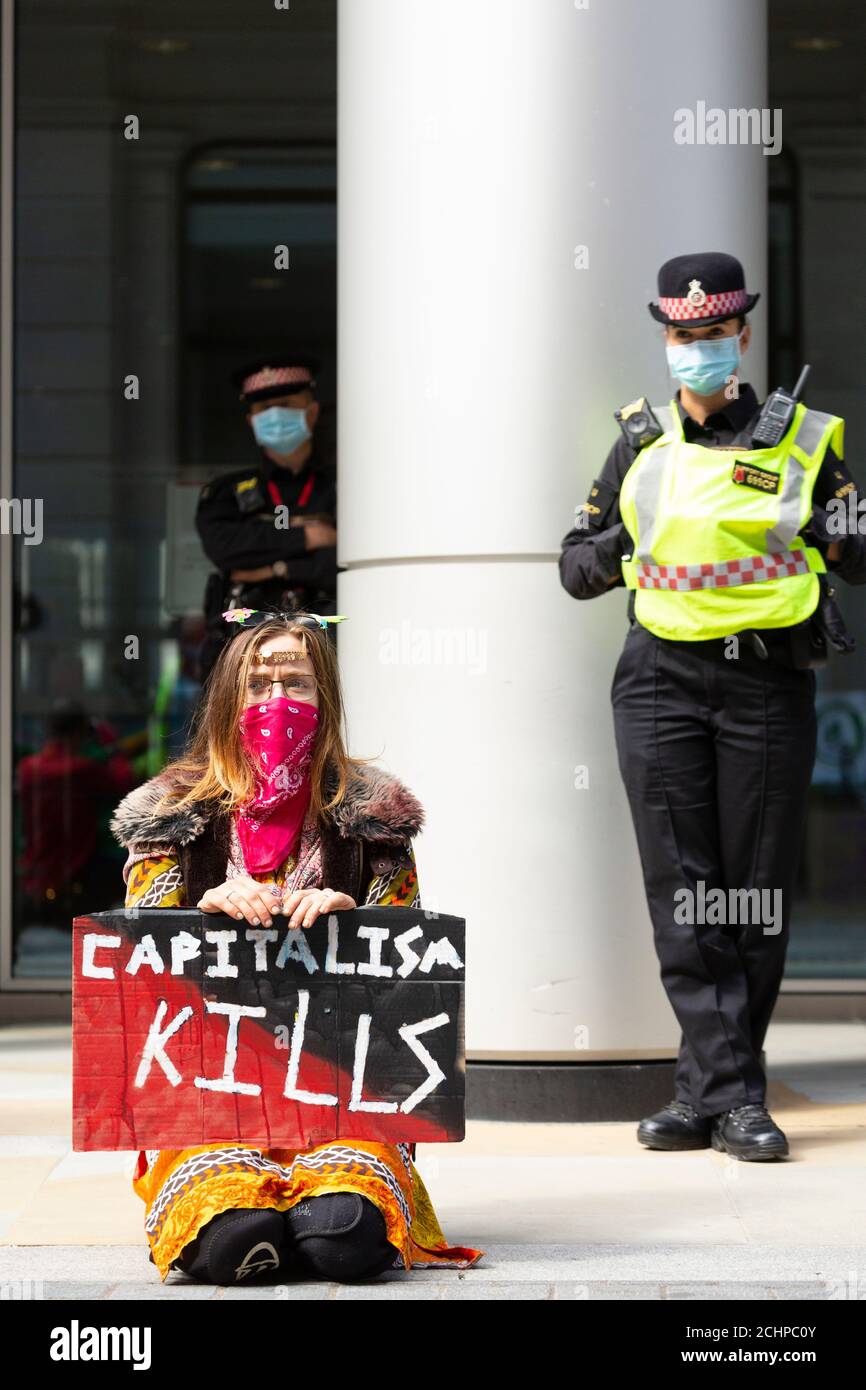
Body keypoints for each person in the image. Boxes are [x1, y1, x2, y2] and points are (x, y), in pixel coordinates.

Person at [559, 252, 866, 1161]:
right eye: (682, 334)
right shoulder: (638, 441)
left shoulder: (803, 437)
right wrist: (634, 534)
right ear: (666, 338)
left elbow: (856, 550)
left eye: (712, 333)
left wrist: (832, 525)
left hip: (767, 681)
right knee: (684, 891)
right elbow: (575, 567)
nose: (697, 347)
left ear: (741, 334)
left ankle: (710, 1093)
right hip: (659, 681)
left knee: (754, 893)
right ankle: (733, 1099)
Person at [109, 608, 484, 1284]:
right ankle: (255, 1212)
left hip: (339, 1096)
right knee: (233, 1237)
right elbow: (140, 969)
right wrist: (204, 910)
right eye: (257, 684)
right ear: (227, 698)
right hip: (209, 1097)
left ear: (326, 699)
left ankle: (314, 1210)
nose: (275, 702)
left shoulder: (375, 817)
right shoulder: (169, 814)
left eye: (297, 684)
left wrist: (355, 918)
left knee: (344, 1236)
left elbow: (410, 983)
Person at [195, 354, 338, 682]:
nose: (275, 417)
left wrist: (275, 566)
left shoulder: (341, 488)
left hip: (328, 648)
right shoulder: (226, 492)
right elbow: (225, 548)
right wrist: (309, 537)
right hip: (245, 655)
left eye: (287, 405)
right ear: (251, 421)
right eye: (264, 410)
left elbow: (343, 563)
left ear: (312, 412)